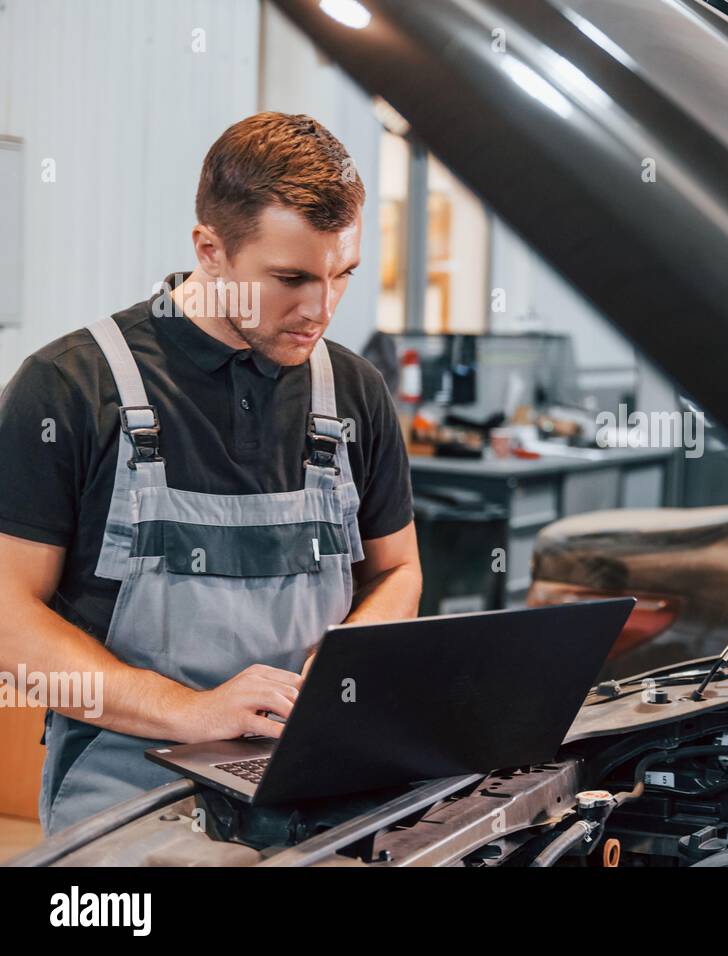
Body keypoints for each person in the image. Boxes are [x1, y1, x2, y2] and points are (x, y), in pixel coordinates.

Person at [0, 112, 419, 833]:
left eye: (341, 275)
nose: (319, 309)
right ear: (211, 249)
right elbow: (7, 625)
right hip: (133, 792)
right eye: (289, 278)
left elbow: (398, 571)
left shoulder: (353, 392)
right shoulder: (69, 386)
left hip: (314, 780)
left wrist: (346, 664)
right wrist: (190, 710)